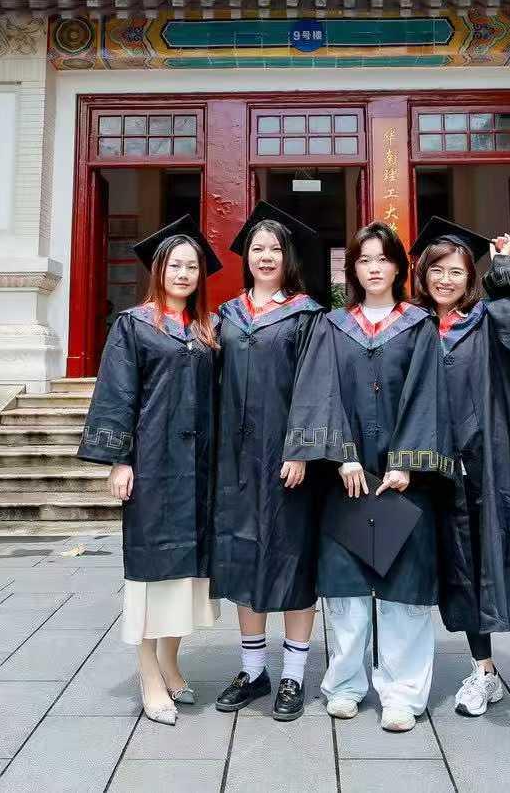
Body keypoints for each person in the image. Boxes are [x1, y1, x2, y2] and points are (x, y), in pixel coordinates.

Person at [284, 221, 453, 733]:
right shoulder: (333, 326)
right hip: (349, 478)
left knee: (404, 590)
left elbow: (429, 395)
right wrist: (342, 455)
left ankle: (401, 693)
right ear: (352, 269)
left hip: (406, 479)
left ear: (399, 266)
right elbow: (319, 391)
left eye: (383, 259)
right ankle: (345, 685)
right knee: (347, 590)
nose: (374, 268)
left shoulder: (419, 325)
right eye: (363, 259)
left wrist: (405, 462)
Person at [412, 217, 510, 747]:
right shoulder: (417, 328)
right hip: (445, 471)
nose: (445, 280)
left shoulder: (492, 318)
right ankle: (485, 671)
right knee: (463, 566)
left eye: (456, 271)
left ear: (469, 277)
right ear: (422, 275)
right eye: (436, 270)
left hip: (498, 465)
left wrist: (503, 267)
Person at [77, 214, 222, 727]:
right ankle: (148, 674)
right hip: (154, 466)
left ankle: (171, 662)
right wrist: (119, 460)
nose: (184, 273)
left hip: (199, 469)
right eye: (175, 265)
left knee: (186, 575)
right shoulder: (134, 324)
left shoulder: (207, 329)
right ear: (159, 270)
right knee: (151, 573)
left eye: (192, 267)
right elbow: (117, 394)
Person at [210, 202, 326, 722]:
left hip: (286, 462)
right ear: (247, 257)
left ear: (287, 257)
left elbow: (316, 387)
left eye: (274, 249)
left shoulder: (306, 315)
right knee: (242, 557)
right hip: (236, 461)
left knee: (293, 560)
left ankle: (294, 675)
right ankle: (253, 671)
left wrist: (300, 448)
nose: (265, 256)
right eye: (257, 248)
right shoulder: (227, 316)